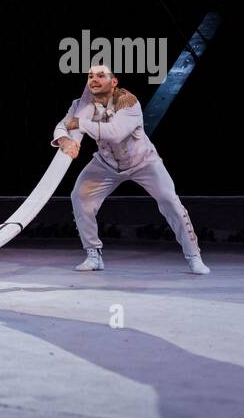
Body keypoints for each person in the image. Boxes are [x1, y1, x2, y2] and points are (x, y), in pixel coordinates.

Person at [53, 64, 210, 274]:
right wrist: (64, 140)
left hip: (144, 162)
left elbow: (115, 133)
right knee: (80, 197)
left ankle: (193, 256)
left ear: (113, 82)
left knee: (170, 201)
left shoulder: (128, 102)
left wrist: (80, 123)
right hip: (106, 164)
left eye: (101, 75)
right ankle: (93, 253)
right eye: (90, 76)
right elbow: (63, 124)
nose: (94, 79)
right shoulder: (81, 105)